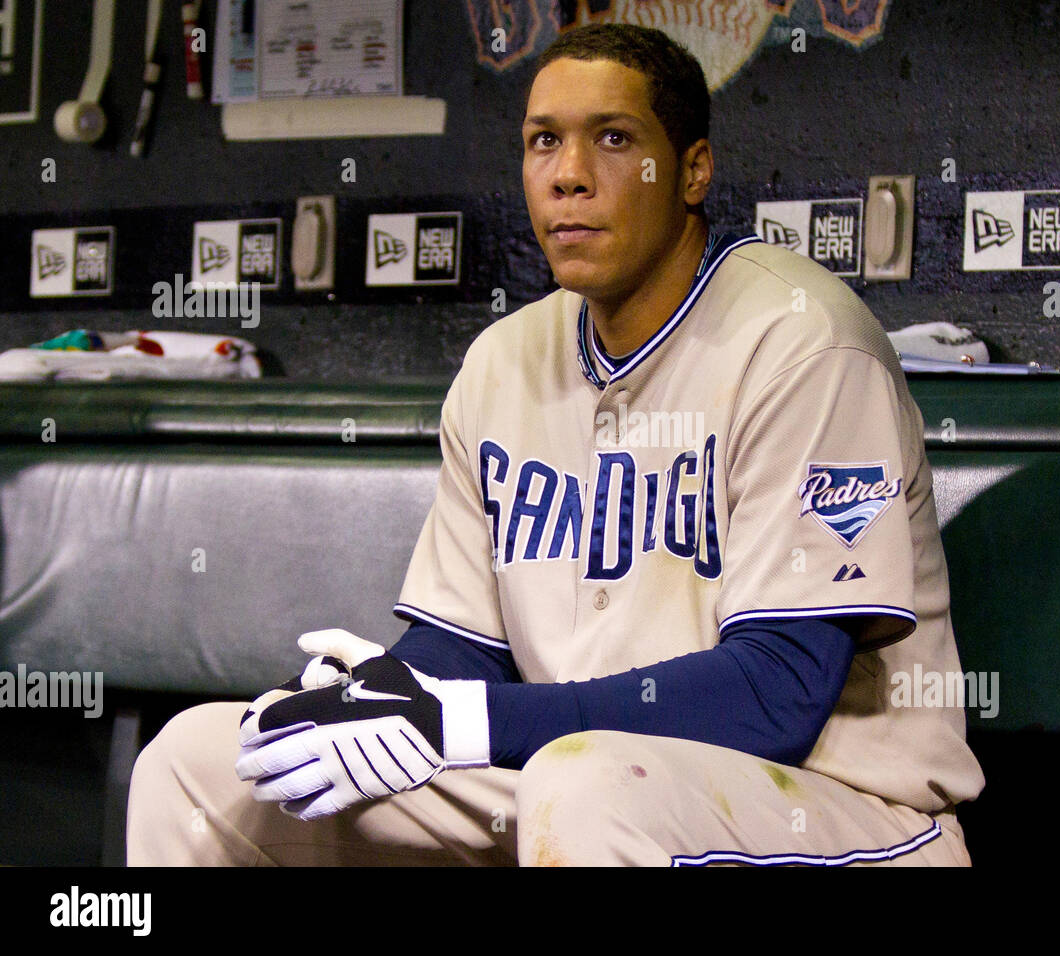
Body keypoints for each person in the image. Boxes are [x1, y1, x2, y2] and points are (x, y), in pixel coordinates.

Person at [127, 23, 984, 867]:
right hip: (571, 792)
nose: (569, 176)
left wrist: (460, 722)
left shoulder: (804, 343)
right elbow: (463, 645)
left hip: (839, 813)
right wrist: (380, 697)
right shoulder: (505, 360)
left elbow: (778, 693)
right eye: (544, 142)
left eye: (613, 139)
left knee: (582, 784)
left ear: (691, 169)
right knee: (204, 761)